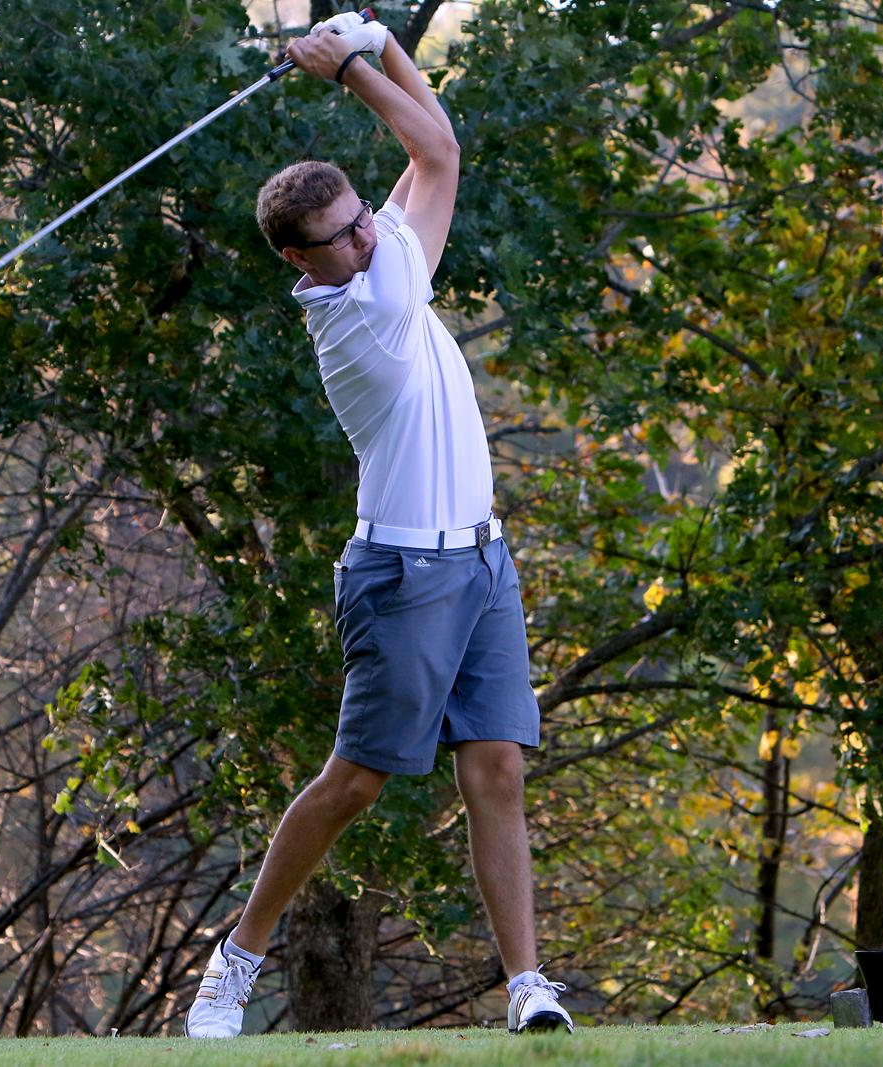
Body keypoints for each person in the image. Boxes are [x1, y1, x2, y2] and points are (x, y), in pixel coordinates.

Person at [184, 12, 572, 1040]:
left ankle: (528, 983)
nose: (366, 233)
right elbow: (434, 148)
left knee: (497, 767)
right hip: (402, 575)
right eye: (342, 235)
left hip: (481, 561)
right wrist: (354, 63)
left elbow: (427, 143)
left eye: (363, 216)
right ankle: (236, 958)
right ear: (298, 262)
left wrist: (380, 42)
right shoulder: (363, 308)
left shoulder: (380, 252)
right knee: (354, 781)